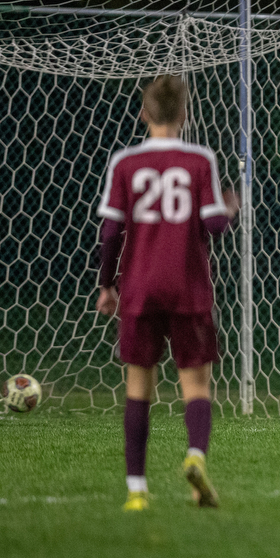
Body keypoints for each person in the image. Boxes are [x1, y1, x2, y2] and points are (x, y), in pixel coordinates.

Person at [95, 74, 239, 511]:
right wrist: (230, 207)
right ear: (184, 114)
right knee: (195, 384)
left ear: (144, 113)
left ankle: (137, 491)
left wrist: (106, 285)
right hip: (188, 288)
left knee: (138, 387)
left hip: (138, 288)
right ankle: (195, 457)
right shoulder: (199, 159)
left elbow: (111, 230)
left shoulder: (125, 162)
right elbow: (214, 226)